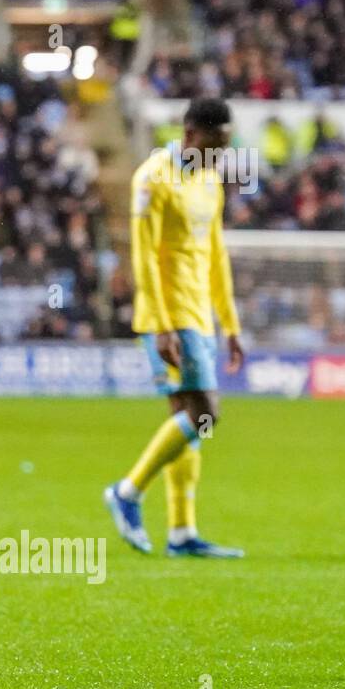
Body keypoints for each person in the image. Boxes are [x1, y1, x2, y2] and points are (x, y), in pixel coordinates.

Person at [104, 98, 246, 558]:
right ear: (189, 135)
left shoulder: (210, 180)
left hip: (200, 315)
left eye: (226, 147)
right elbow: (143, 257)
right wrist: (163, 326)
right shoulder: (151, 177)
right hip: (167, 317)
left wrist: (231, 323)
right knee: (206, 413)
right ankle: (127, 492)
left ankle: (182, 532)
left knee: (185, 421)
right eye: (215, 145)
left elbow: (217, 255)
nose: (221, 155)